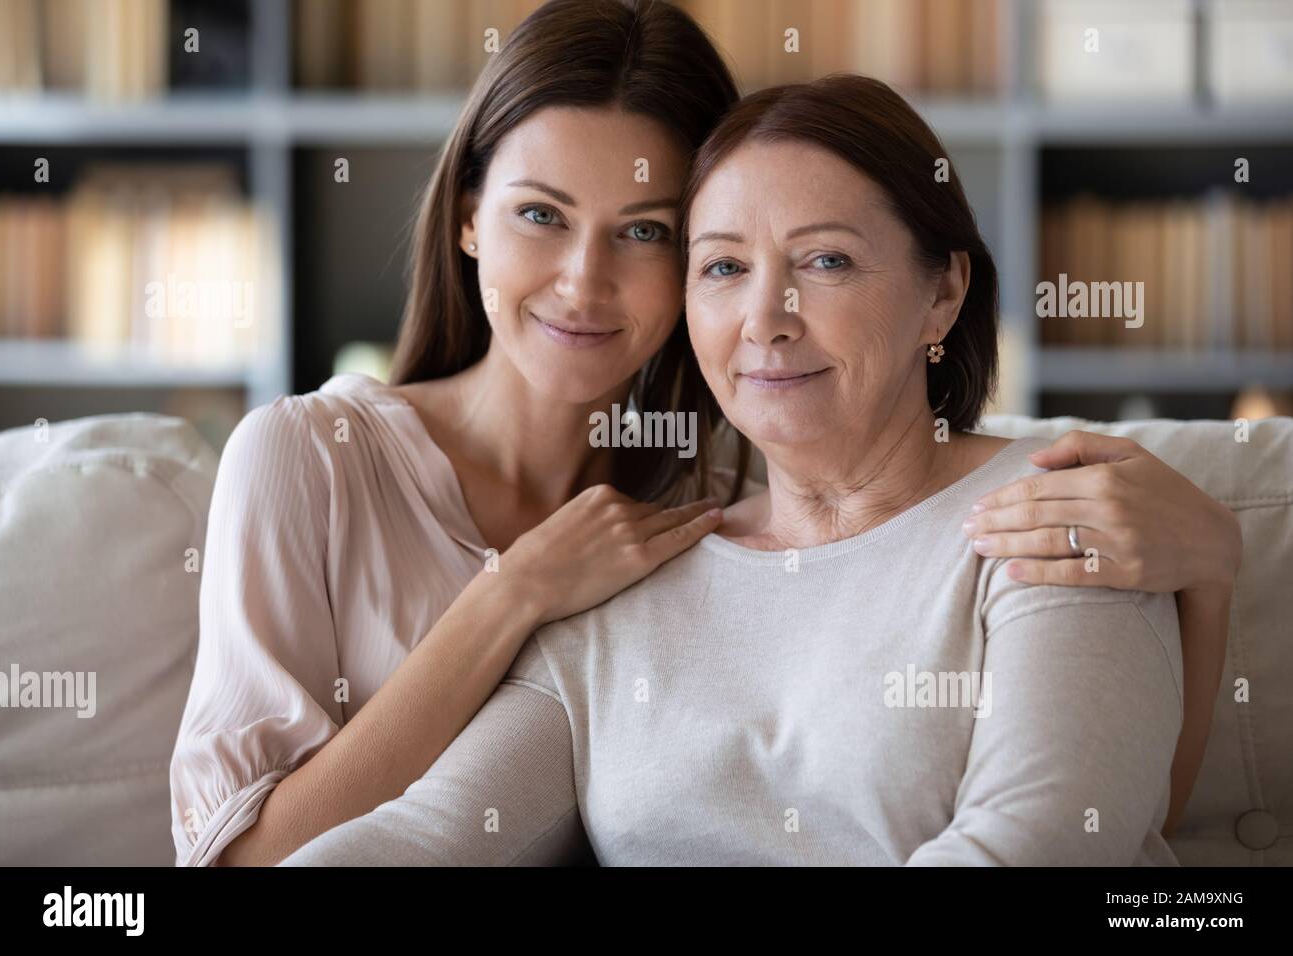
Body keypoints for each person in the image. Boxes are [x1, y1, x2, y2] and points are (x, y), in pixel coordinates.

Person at [171, 1, 1240, 868]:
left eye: (646, 232)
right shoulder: (593, 559)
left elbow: (1087, 821)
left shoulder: (702, 494)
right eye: (725, 264)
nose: (765, 319)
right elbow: (398, 839)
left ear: (941, 292)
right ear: (464, 215)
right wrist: (513, 594)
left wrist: (1211, 573)